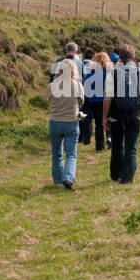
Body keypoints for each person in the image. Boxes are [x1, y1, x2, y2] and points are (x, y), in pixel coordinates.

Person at [103, 43, 140, 184]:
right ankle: (127, 178)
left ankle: (115, 174)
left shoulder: (112, 72)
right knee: (131, 148)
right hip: (135, 115)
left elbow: (107, 98)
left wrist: (104, 117)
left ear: (119, 57)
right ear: (133, 57)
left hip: (116, 115)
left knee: (117, 146)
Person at [47, 56, 84, 189]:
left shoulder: (51, 86)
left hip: (55, 121)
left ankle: (57, 179)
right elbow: (81, 103)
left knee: (56, 152)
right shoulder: (77, 85)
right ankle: (68, 177)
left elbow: (50, 101)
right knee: (71, 153)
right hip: (71, 122)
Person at [81, 51, 111, 150]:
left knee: (98, 124)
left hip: (94, 100)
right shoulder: (109, 72)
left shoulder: (90, 72)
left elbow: (86, 86)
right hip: (106, 99)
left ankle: (99, 146)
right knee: (107, 120)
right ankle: (109, 138)